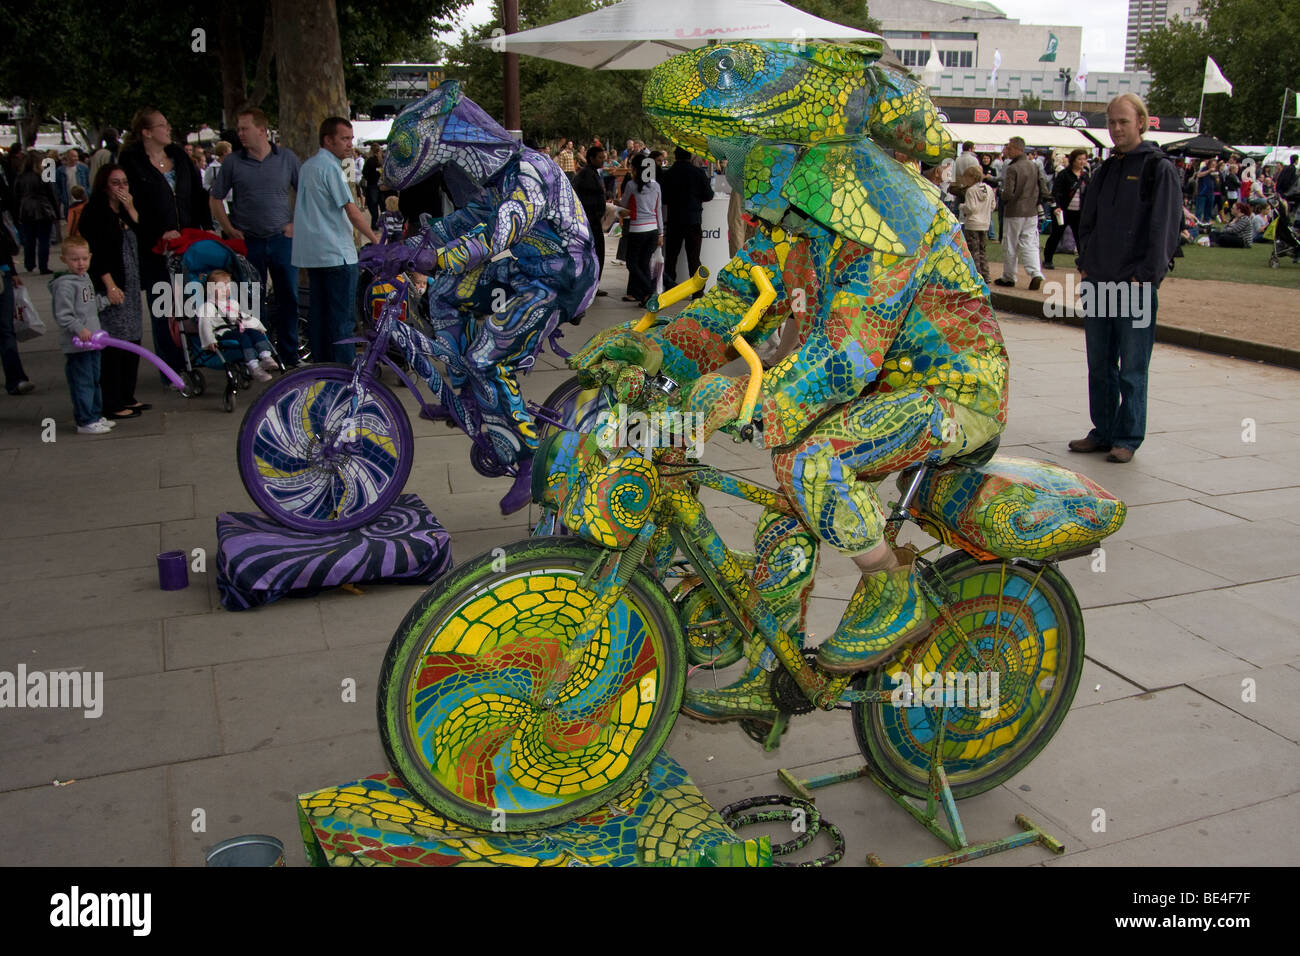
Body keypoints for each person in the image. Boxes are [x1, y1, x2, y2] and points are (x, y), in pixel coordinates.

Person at [1070, 93, 1181, 465]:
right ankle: (1102, 430)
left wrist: (1146, 277)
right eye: (1112, 122)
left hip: (1134, 285)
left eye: (1123, 122)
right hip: (1099, 280)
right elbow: (1088, 221)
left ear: (1141, 123)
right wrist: (1085, 262)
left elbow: (1165, 227)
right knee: (1100, 365)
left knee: (1132, 368)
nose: (1116, 128)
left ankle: (1128, 437)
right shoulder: (1106, 169)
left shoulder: (1157, 168)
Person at [117, 106, 212, 377]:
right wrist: (156, 232)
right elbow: (130, 206)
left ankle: (195, 356)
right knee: (163, 306)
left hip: (188, 240)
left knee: (191, 302)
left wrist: (206, 228)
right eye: (162, 125)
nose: (167, 129)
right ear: (146, 132)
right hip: (154, 246)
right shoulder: (131, 163)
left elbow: (197, 193)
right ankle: (171, 367)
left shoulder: (179, 157)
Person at [208, 108, 302, 367]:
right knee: (251, 300)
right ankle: (260, 353)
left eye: (244, 128)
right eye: (238, 129)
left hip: (282, 238)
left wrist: (295, 222)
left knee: (288, 297)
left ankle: (289, 354)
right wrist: (228, 226)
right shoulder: (232, 162)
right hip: (249, 240)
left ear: (262, 130)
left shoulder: (287, 159)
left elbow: (305, 192)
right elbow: (215, 198)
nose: (240, 134)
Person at [292, 116, 377, 365]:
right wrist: (375, 238)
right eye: (344, 139)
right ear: (328, 140)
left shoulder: (307, 166)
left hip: (313, 254)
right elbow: (352, 211)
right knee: (342, 320)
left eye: (351, 139)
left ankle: (321, 368)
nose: (350, 144)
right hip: (336, 253)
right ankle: (344, 372)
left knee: (319, 317)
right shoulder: (331, 168)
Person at [78, 163, 149, 419]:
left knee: (133, 337)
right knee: (115, 341)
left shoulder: (125, 211)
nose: (122, 187)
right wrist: (109, 285)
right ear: (104, 186)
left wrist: (130, 207)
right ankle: (112, 401)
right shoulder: (96, 212)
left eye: (125, 182)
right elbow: (96, 254)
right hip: (112, 281)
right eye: (115, 183)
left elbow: (144, 232)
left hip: (130, 279)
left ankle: (127, 394)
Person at [50, 236, 115, 434]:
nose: (81, 263)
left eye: (84, 259)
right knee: (83, 381)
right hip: (77, 345)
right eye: (75, 259)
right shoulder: (65, 285)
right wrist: (80, 329)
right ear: (64, 260)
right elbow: (63, 315)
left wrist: (105, 301)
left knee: (94, 379)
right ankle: (85, 420)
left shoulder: (85, 278)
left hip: (94, 342)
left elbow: (89, 304)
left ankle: (95, 415)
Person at [197, 268, 277, 382]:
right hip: (222, 332)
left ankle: (266, 357)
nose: (225, 290)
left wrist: (257, 325)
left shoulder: (233, 303)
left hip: (237, 328)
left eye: (228, 287)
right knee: (243, 338)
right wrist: (209, 340)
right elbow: (204, 324)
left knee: (255, 333)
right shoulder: (207, 307)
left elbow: (242, 316)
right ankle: (253, 366)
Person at [658, 146, 714, 291]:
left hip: (674, 219)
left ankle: (670, 287)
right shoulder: (698, 173)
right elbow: (709, 195)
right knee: (694, 257)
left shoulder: (669, 174)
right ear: (690, 156)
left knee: (671, 256)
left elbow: (662, 197)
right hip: (693, 219)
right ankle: (697, 290)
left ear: (675, 156)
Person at [993, 136, 1044, 290]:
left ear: (1016, 149)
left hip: (1014, 210)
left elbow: (1008, 193)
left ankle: (1009, 276)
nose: (1006, 150)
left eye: (1008, 147)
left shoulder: (1012, 168)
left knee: (1010, 244)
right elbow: (1042, 185)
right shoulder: (1033, 166)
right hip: (1031, 210)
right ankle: (1035, 272)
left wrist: (1002, 194)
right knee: (1030, 243)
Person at [618, 153, 663, 305]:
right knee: (644, 264)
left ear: (635, 168)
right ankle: (645, 297)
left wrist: (617, 203)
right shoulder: (656, 186)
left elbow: (624, 205)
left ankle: (649, 291)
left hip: (637, 230)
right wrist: (661, 233)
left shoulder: (631, 185)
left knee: (632, 263)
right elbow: (659, 210)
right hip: (653, 230)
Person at [571, 144, 611, 295]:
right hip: (589, 222)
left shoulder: (592, 173)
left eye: (604, 158)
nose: (602, 161)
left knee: (595, 254)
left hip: (593, 221)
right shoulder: (586, 175)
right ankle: (590, 286)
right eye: (600, 158)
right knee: (594, 254)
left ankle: (592, 285)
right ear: (591, 158)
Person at [13, 150, 59, 274]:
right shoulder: (44, 175)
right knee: (44, 239)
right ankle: (43, 265)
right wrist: (56, 212)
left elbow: (16, 196)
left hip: (26, 209)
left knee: (29, 238)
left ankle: (29, 263)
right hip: (43, 208)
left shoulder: (21, 176)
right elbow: (51, 195)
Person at [1043, 148, 1089, 269]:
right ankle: (1048, 260)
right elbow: (1056, 192)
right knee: (1056, 235)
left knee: (1080, 237)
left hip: (1079, 212)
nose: (1082, 162)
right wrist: (1057, 207)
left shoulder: (1085, 176)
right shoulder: (1064, 174)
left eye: (1084, 159)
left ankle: (1083, 262)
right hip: (1063, 211)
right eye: (1079, 159)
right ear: (1073, 160)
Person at [957, 165, 994, 283]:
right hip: (985, 222)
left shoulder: (971, 191)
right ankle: (986, 274)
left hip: (973, 223)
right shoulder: (989, 189)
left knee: (973, 250)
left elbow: (971, 208)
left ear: (972, 178)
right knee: (982, 250)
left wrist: (962, 207)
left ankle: (976, 275)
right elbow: (993, 206)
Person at [55, 150, 90, 220]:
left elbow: (88, 183)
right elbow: (57, 186)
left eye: (77, 156)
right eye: (74, 156)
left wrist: (88, 193)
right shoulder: (60, 171)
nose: (76, 158)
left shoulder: (84, 168)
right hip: (68, 200)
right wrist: (61, 196)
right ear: (67, 157)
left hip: (82, 199)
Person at [362, 144, 383, 229]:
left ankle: (375, 225)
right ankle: (384, 224)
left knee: (373, 206)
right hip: (382, 185)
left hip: (372, 185)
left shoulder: (369, 160)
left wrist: (370, 179)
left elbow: (364, 173)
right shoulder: (382, 161)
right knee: (383, 206)